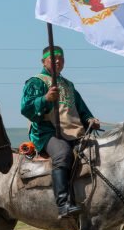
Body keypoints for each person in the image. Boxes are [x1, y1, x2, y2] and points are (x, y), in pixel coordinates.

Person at [20, 45, 101, 218]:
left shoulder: (68, 85)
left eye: (61, 59)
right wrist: (45, 99)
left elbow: (82, 110)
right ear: (43, 61)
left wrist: (90, 120)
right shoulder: (36, 82)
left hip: (74, 131)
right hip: (46, 131)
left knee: (95, 151)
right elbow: (26, 109)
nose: (58, 61)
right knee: (63, 153)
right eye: (53, 58)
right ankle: (63, 203)